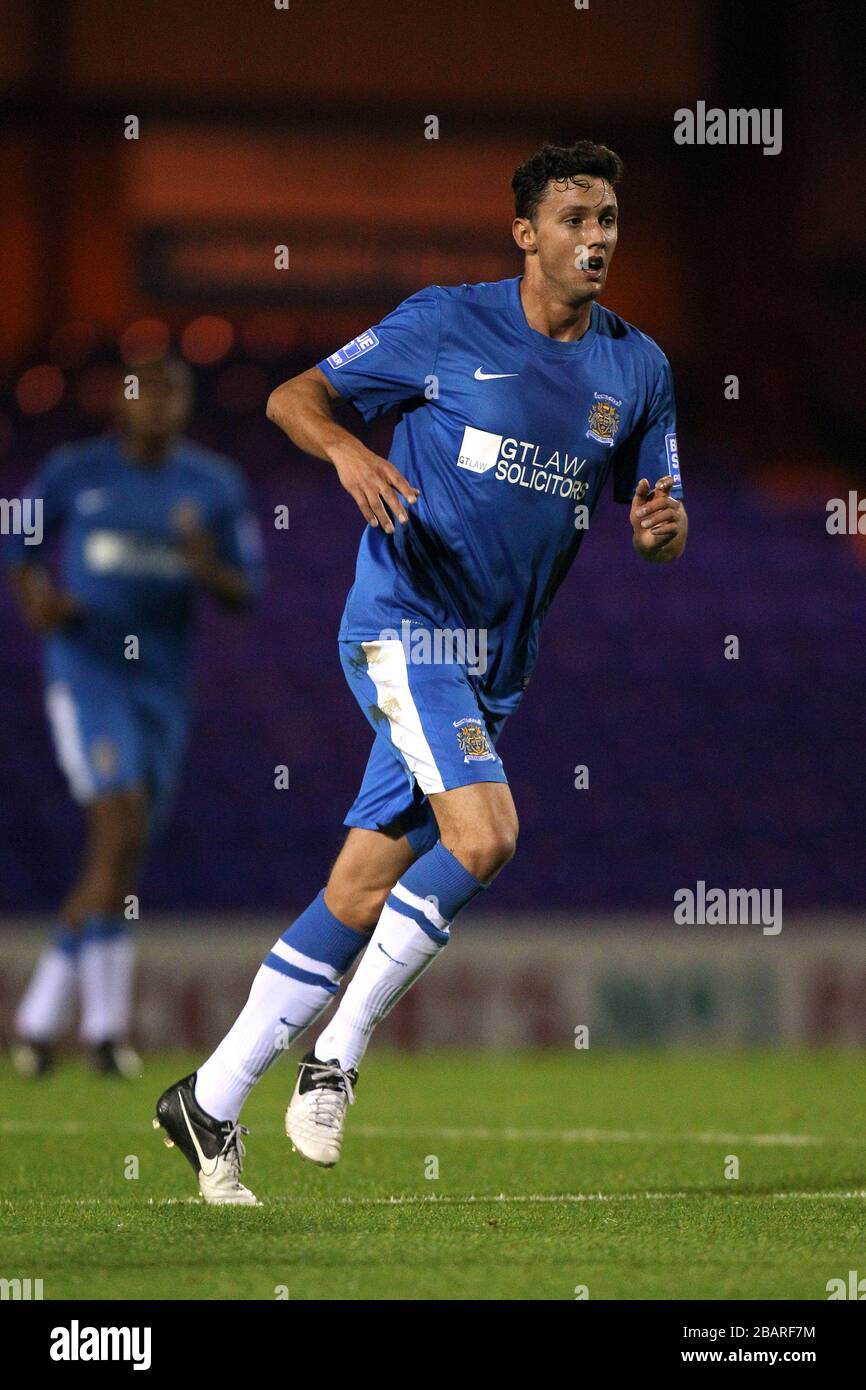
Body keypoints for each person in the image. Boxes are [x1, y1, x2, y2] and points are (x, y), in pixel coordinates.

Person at [155, 139, 687, 1205]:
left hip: (496, 663)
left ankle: (206, 1100)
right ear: (525, 233)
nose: (595, 238)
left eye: (609, 219)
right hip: (404, 628)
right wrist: (349, 450)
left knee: (357, 886)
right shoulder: (444, 322)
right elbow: (293, 398)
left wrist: (658, 529)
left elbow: (659, 519)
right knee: (485, 835)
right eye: (574, 218)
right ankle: (336, 1058)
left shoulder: (637, 368)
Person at [7, 357, 263, 1077]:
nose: (157, 405)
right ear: (121, 401)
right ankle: (104, 1032)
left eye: (172, 394)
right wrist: (35, 598)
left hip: (163, 689)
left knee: (123, 854)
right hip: (89, 677)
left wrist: (205, 564)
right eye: (144, 392)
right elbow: (15, 531)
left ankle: (43, 1026)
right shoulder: (72, 471)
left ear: (186, 406)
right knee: (117, 827)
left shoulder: (213, 485)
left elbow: (245, 590)